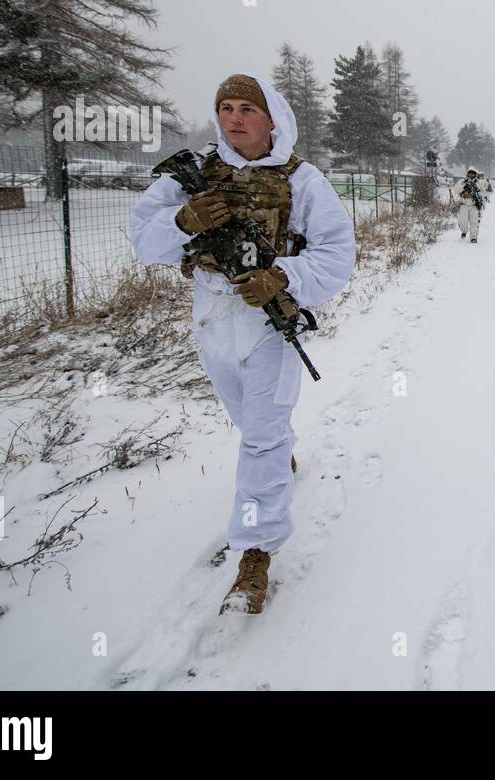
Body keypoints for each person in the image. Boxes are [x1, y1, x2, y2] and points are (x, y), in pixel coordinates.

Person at [129, 73, 355, 615]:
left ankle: (256, 551)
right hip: (210, 317)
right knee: (250, 424)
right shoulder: (194, 175)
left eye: (247, 108)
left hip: (268, 324)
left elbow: (336, 255)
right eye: (225, 107)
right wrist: (182, 221)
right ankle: (277, 456)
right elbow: (143, 241)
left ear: (271, 117)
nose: (234, 118)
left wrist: (284, 278)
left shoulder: (303, 180)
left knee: (260, 438)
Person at [452, 167, 485, 242]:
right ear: (467, 174)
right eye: (470, 173)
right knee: (462, 221)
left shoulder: (478, 183)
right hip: (464, 205)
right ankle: (464, 231)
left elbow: (483, 194)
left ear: (475, 174)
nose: (471, 175)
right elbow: (456, 189)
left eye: (473, 173)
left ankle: (473, 237)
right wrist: (464, 187)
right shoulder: (462, 181)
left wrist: (474, 194)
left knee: (474, 222)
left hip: (474, 206)